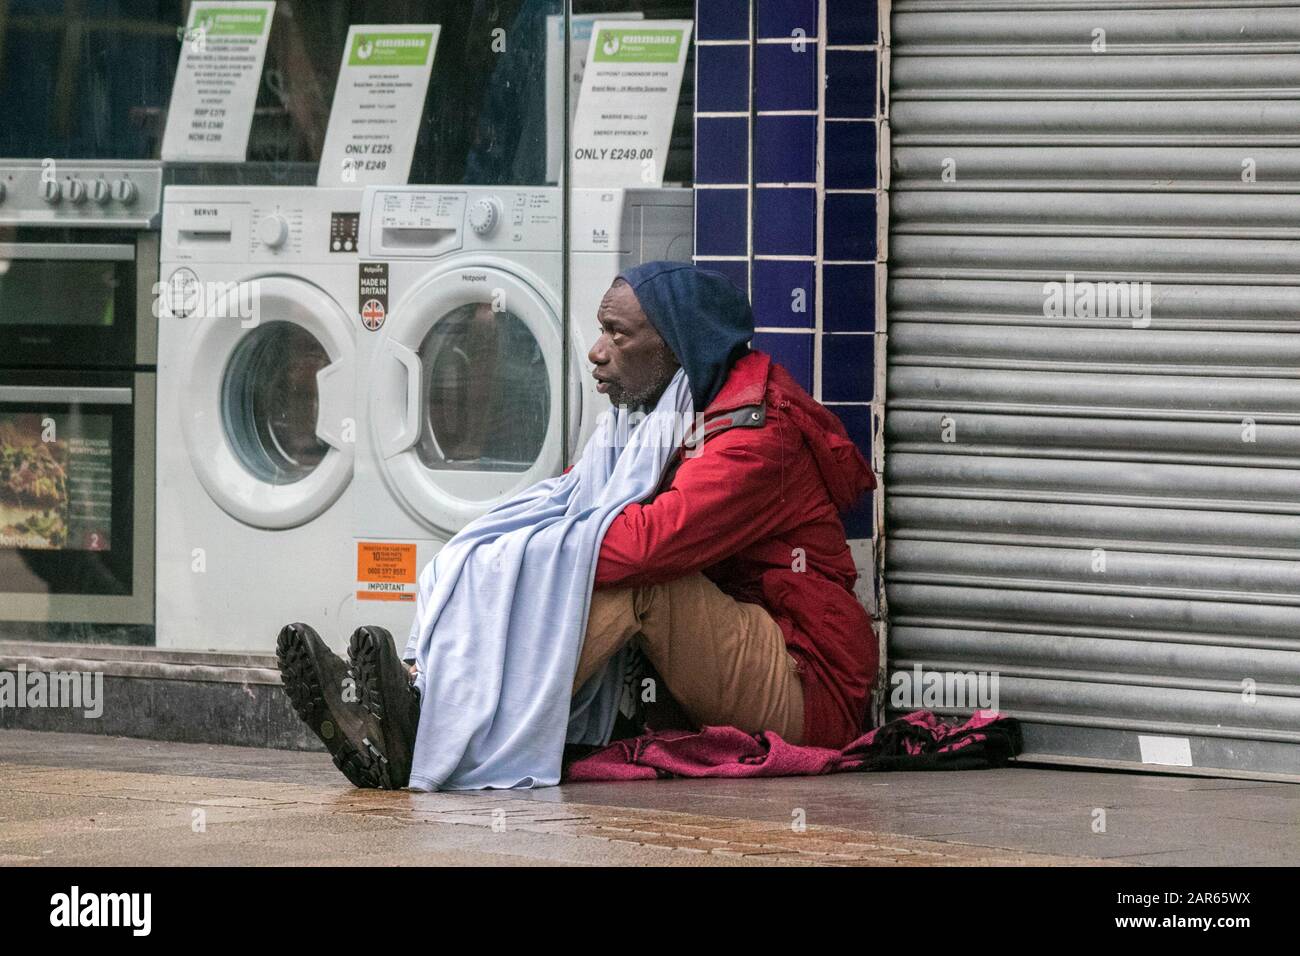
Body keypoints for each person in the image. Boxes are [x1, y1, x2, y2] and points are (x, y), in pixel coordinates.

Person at [276, 262, 876, 789]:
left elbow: (643, 547)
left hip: (807, 688)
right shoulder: (657, 420)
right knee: (547, 553)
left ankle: (432, 719)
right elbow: (571, 512)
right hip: (724, 653)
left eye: (618, 335)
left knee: (633, 578)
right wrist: (500, 551)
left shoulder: (752, 435)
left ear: (677, 346)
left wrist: (513, 559)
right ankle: (415, 697)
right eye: (600, 330)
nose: (596, 350)